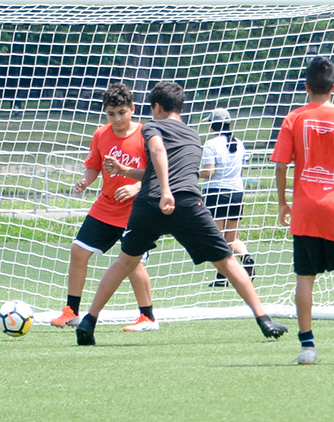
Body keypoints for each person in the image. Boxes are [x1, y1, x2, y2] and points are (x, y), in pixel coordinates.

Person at [76, 81, 289, 345]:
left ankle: (89, 320)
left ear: (157, 107)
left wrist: (165, 191)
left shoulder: (152, 127)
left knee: (125, 262)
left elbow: (157, 151)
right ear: (181, 106)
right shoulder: (193, 135)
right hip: (188, 204)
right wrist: (124, 170)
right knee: (226, 260)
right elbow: (160, 169)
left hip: (152, 203)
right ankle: (263, 319)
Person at [272, 57, 334, 365]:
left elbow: (281, 163)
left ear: (306, 87)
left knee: (305, 277)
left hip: (305, 210)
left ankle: (307, 348)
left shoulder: (294, 118)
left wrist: (282, 201)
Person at [51, 82, 159, 332]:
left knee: (132, 261)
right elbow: (94, 164)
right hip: (106, 206)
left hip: (137, 210)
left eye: (122, 112)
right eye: (111, 113)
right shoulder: (101, 134)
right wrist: (86, 181)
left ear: (132, 109)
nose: (117, 118)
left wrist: (135, 188)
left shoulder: (146, 135)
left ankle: (147, 316)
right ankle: (71, 311)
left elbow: (157, 173)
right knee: (78, 250)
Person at [200, 108, 255, 287]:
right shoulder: (239, 143)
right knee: (231, 238)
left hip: (216, 193)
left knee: (217, 238)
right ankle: (245, 260)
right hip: (236, 193)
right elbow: (240, 171)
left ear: (211, 125)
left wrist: (193, 173)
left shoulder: (210, 144)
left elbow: (209, 171)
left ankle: (223, 275)